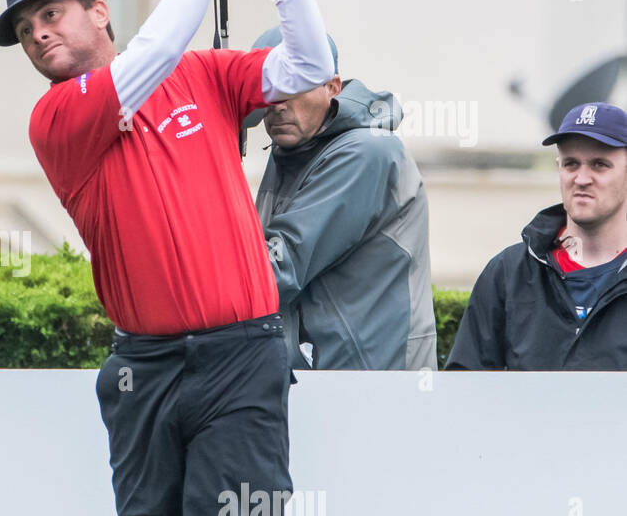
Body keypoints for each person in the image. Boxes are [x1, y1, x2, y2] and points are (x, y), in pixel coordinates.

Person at [0, 0, 334, 516]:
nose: (38, 35)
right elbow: (149, 53)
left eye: (51, 13)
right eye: (25, 31)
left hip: (242, 361)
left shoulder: (202, 78)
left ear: (96, 11)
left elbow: (309, 64)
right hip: (144, 373)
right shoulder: (60, 117)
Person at [246, 26, 437, 370]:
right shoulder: (291, 149)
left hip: (373, 390)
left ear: (332, 86)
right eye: (265, 87)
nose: (275, 104)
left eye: (292, 83)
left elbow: (274, 270)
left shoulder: (368, 152)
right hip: (323, 387)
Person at [446, 102, 627, 370]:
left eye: (600, 164)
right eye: (571, 164)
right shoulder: (508, 272)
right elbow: (466, 387)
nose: (581, 178)